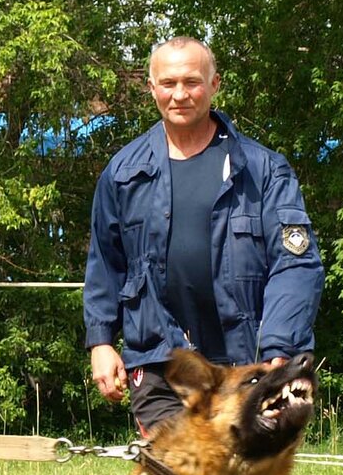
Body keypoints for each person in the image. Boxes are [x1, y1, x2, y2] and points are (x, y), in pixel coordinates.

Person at [83, 35, 324, 438]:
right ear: (151, 88)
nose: (180, 94)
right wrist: (101, 343)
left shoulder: (263, 171)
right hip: (160, 358)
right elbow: (106, 265)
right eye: (168, 83)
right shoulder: (123, 173)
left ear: (214, 85)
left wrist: (278, 346)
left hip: (245, 362)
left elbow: (296, 264)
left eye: (192, 82)